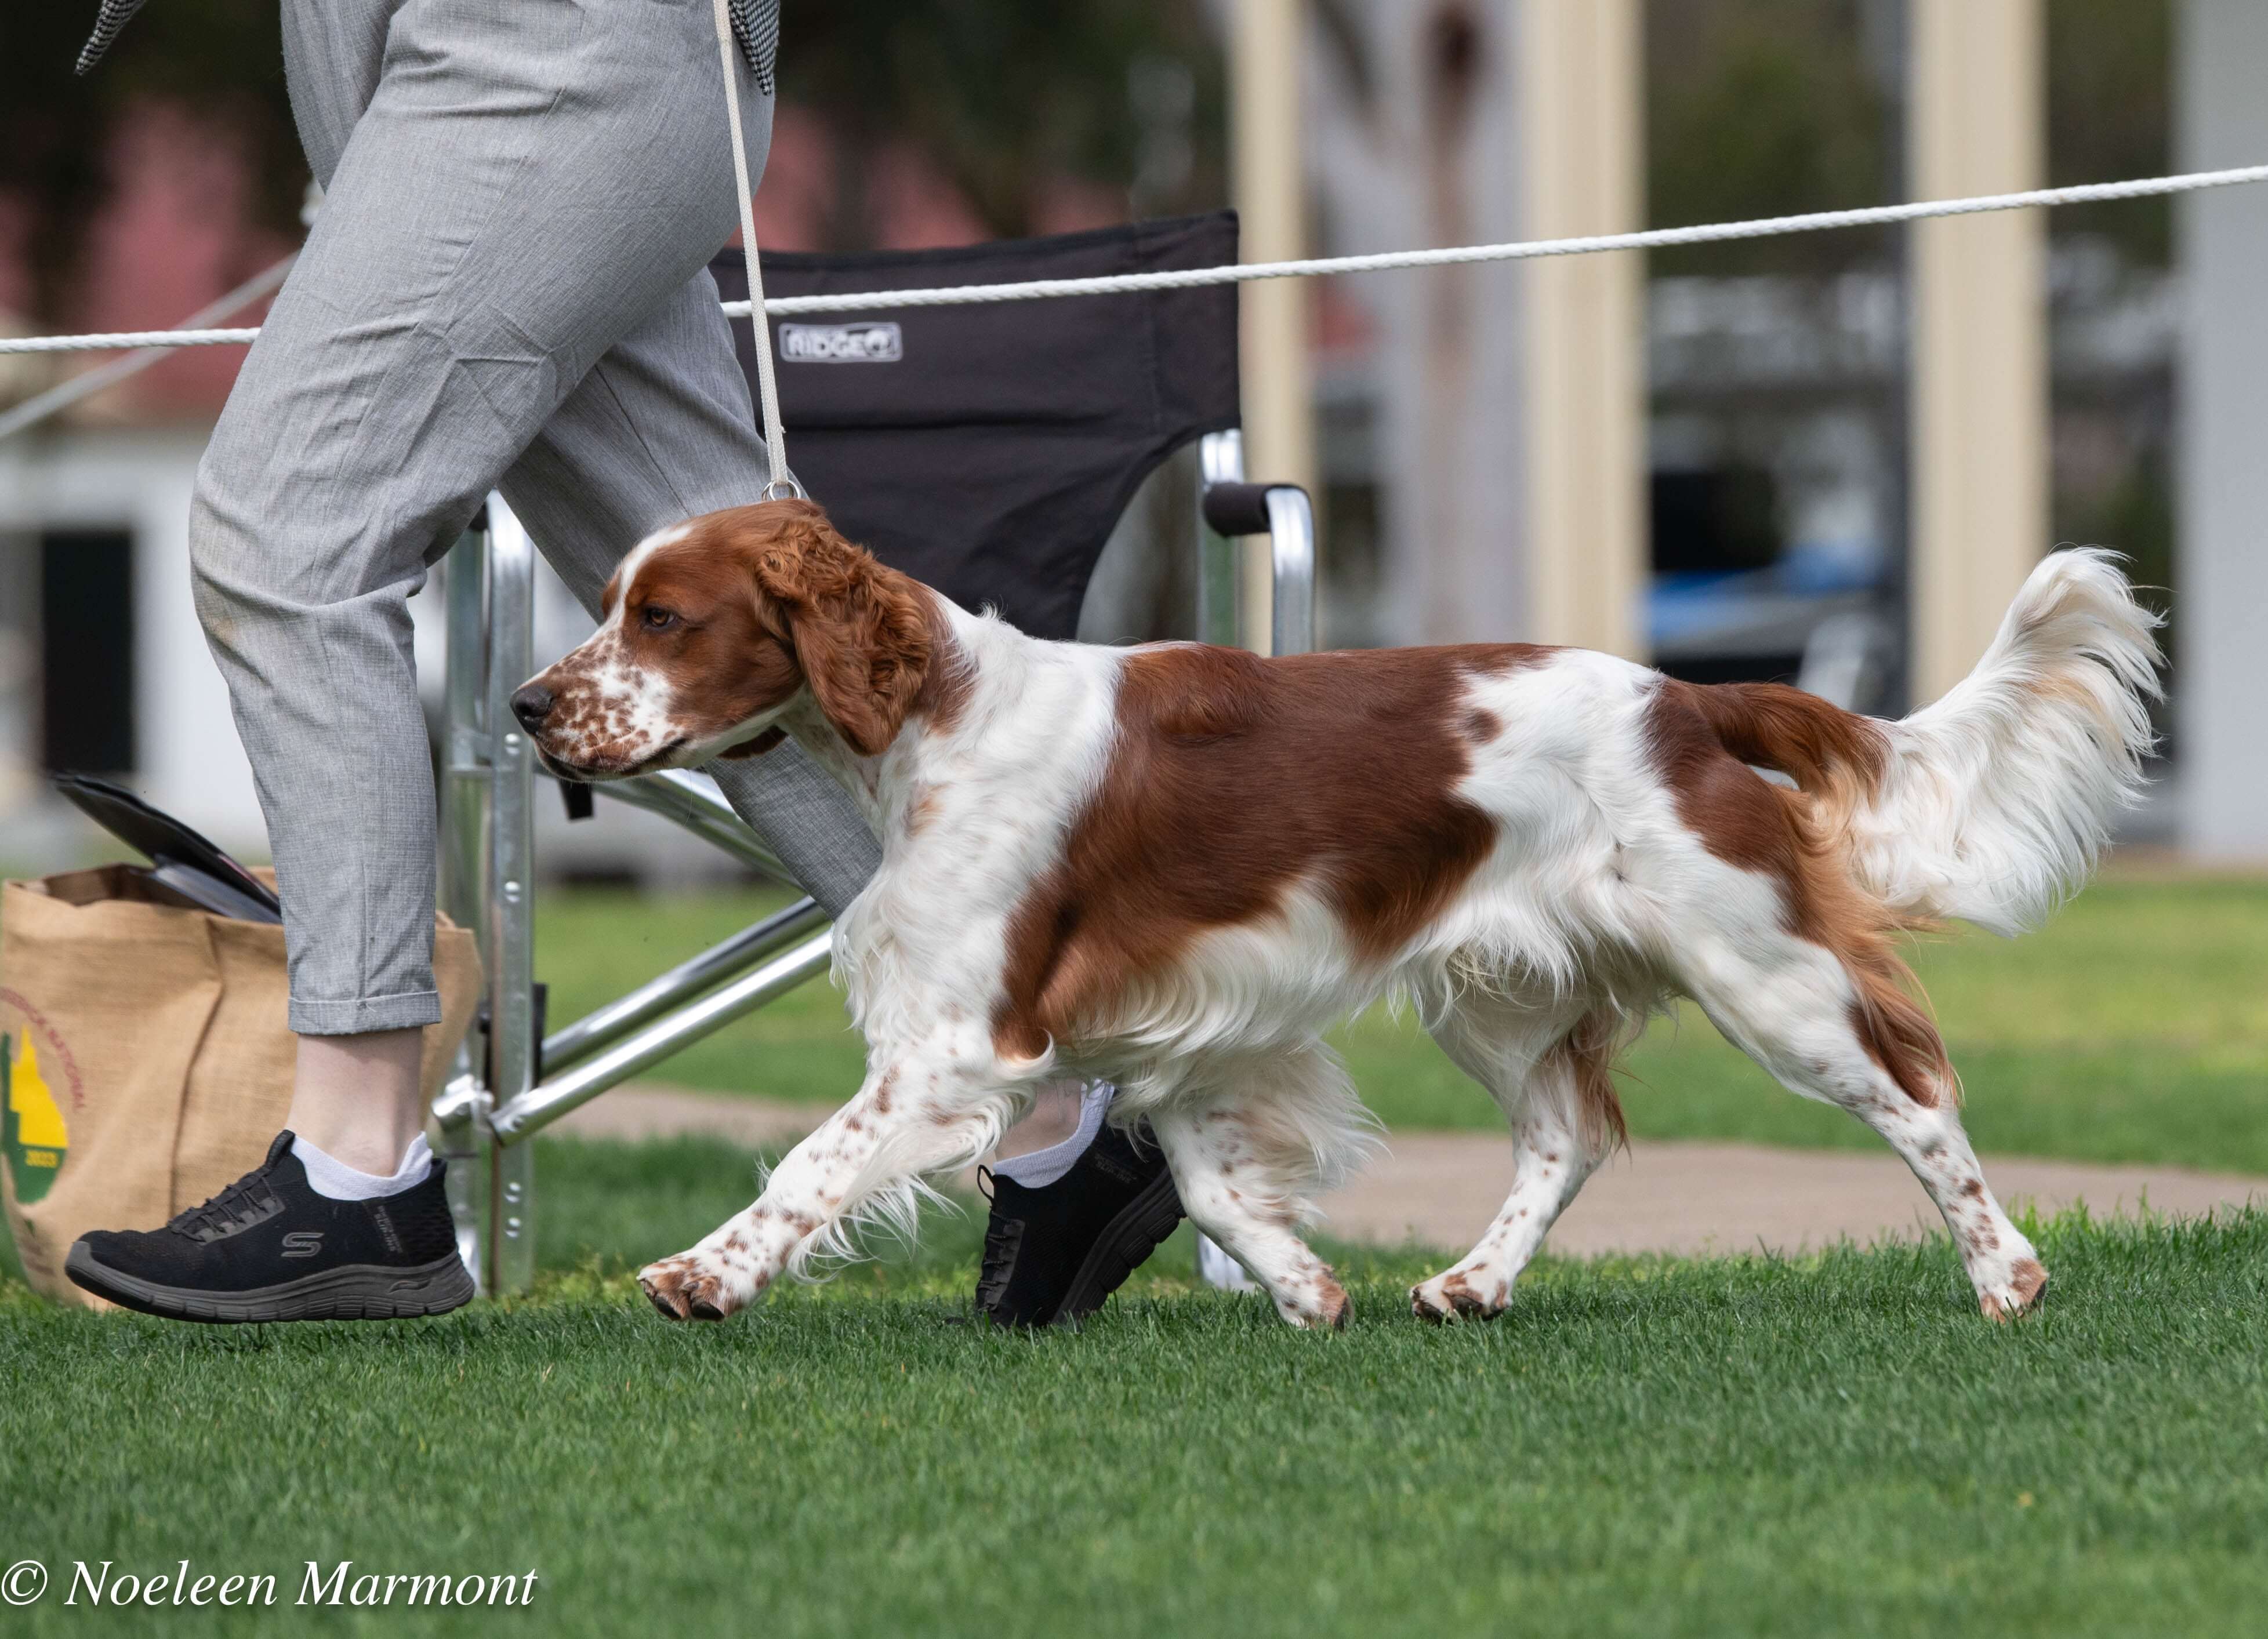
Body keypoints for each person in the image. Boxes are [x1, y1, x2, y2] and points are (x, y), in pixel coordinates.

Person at [61, 0, 1180, 1327]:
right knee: (741, 626)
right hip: (502, 70)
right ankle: (1062, 1103)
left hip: (540, 51)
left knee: (289, 538)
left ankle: (357, 1166)